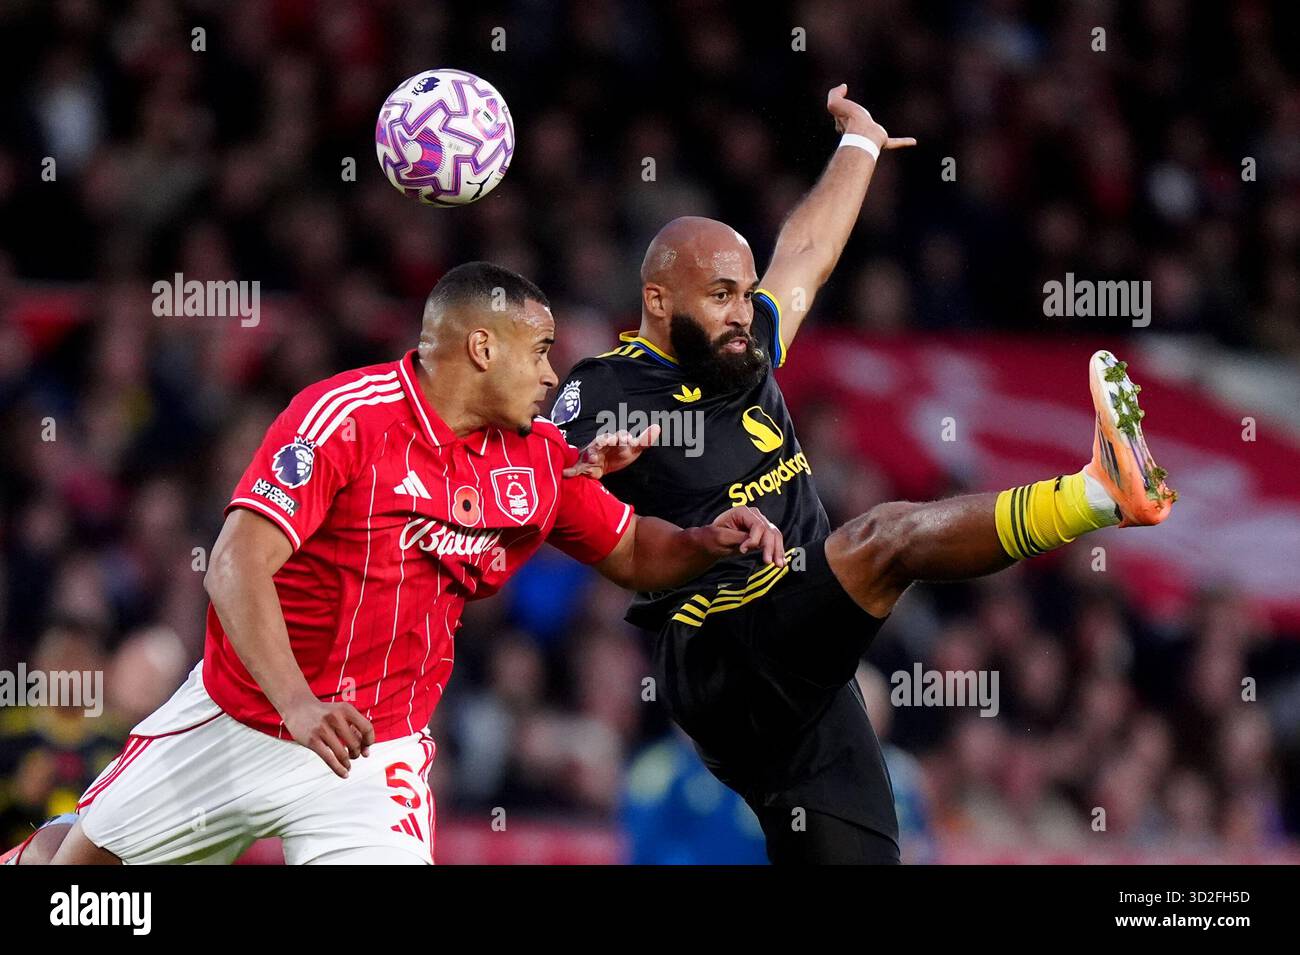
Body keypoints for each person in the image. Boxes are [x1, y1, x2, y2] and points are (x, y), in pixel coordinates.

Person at [551, 86, 1175, 864]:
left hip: (808, 670)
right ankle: (1099, 491)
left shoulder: (742, 353)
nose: (744, 311)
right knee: (888, 537)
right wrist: (582, 464)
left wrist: (860, 146)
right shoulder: (604, 385)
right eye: (719, 296)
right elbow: (547, 478)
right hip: (722, 648)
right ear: (655, 299)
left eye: (745, 293)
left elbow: (806, 253)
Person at [17, 261, 782, 865]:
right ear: (482, 347)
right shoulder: (345, 419)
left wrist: (705, 540)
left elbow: (629, 550)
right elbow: (233, 565)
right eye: (541, 351)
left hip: (371, 753)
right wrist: (298, 704)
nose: (554, 376)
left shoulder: (539, 459)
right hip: (242, 715)